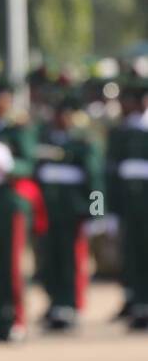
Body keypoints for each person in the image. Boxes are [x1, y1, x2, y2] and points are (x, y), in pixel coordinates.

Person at [0, 85, 39, 342]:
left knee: (12, 265)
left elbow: (29, 163)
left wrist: (9, 167)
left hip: (11, 201)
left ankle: (17, 321)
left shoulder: (17, 128)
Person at [34, 95, 102, 332]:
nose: (59, 118)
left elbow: (95, 180)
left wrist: (96, 214)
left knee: (70, 261)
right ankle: (54, 302)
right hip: (47, 211)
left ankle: (70, 305)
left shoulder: (83, 141)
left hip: (72, 212)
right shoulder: (42, 137)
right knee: (48, 259)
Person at [107, 83, 148, 330]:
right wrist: (100, 213)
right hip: (127, 209)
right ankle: (137, 303)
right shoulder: (120, 133)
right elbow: (105, 177)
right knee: (131, 257)